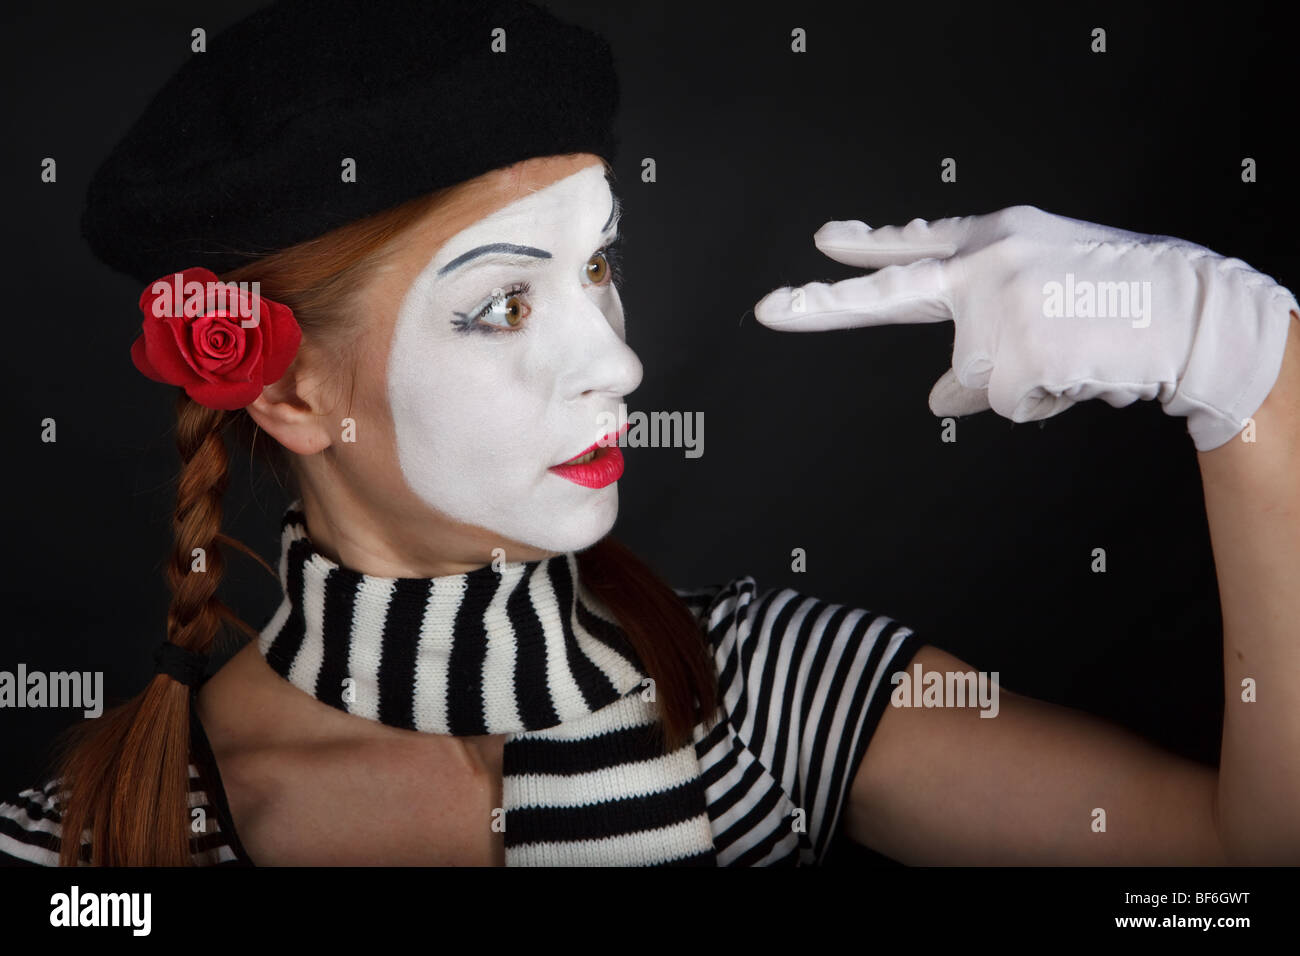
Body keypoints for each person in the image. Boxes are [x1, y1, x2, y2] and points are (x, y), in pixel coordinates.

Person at [2, 0, 1297, 867]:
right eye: (504, 301)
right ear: (287, 395)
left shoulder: (765, 684)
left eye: (600, 266)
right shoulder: (94, 851)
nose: (618, 361)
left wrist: (1242, 369)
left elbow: (1248, 862)